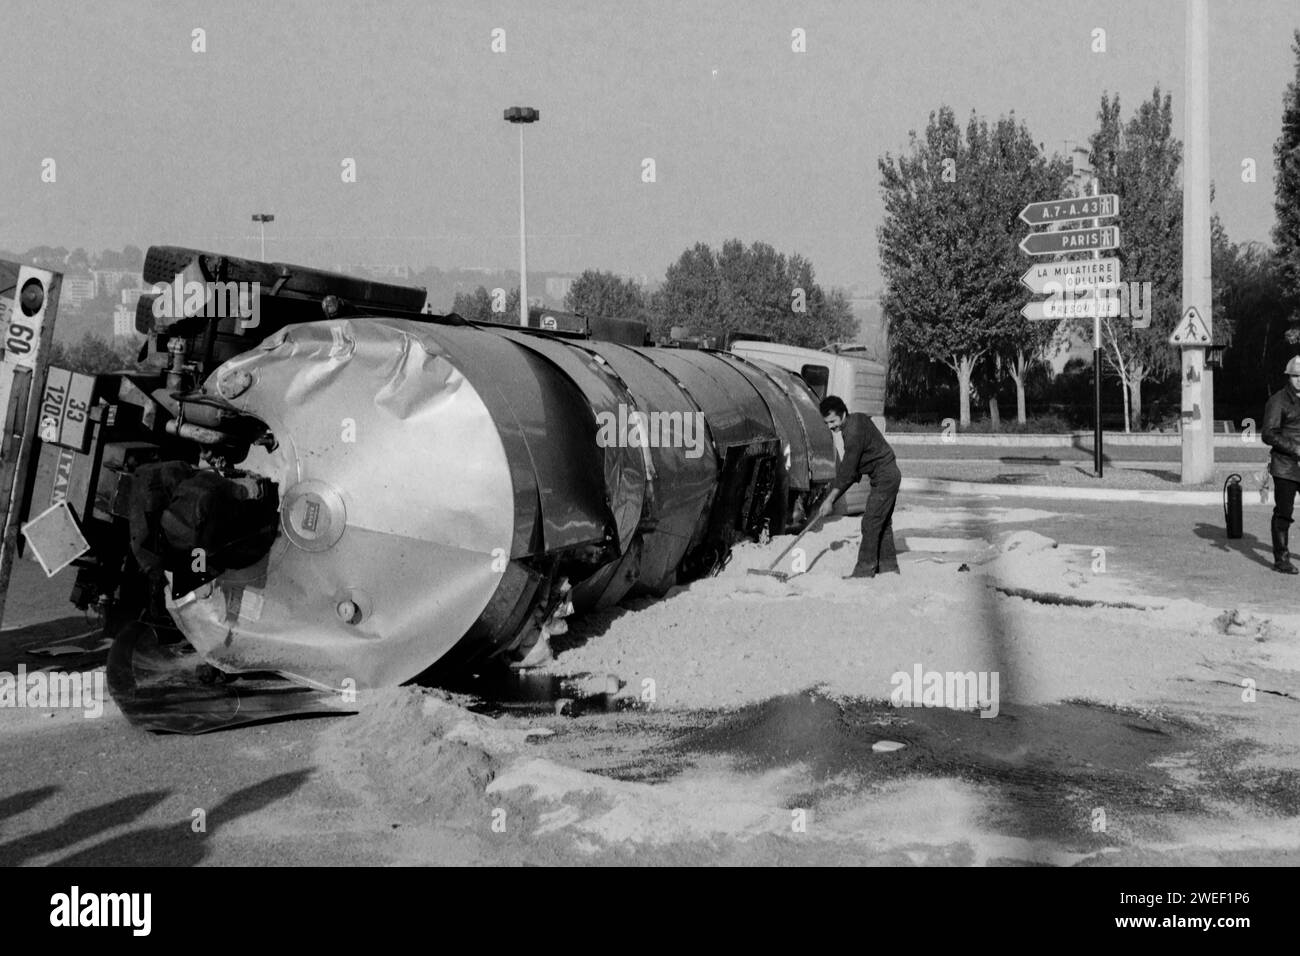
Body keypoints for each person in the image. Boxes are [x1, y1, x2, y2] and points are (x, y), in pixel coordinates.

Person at [815, 395, 901, 579]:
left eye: (833, 421)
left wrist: (830, 500)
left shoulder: (853, 432)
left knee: (870, 522)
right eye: (827, 423)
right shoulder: (857, 419)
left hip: (885, 476)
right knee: (882, 522)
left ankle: (864, 571)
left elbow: (848, 471)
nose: (831, 426)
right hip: (886, 475)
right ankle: (888, 568)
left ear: (843, 413)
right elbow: (853, 472)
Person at [1262, 356, 1300, 574]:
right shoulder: (1278, 400)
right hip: (1286, 467)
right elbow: (1268, 433)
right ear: (1289, 376)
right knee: (1284, 513)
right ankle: (1281, 559)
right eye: (1295, 376)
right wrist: (1296, 449)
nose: (1299, 380)